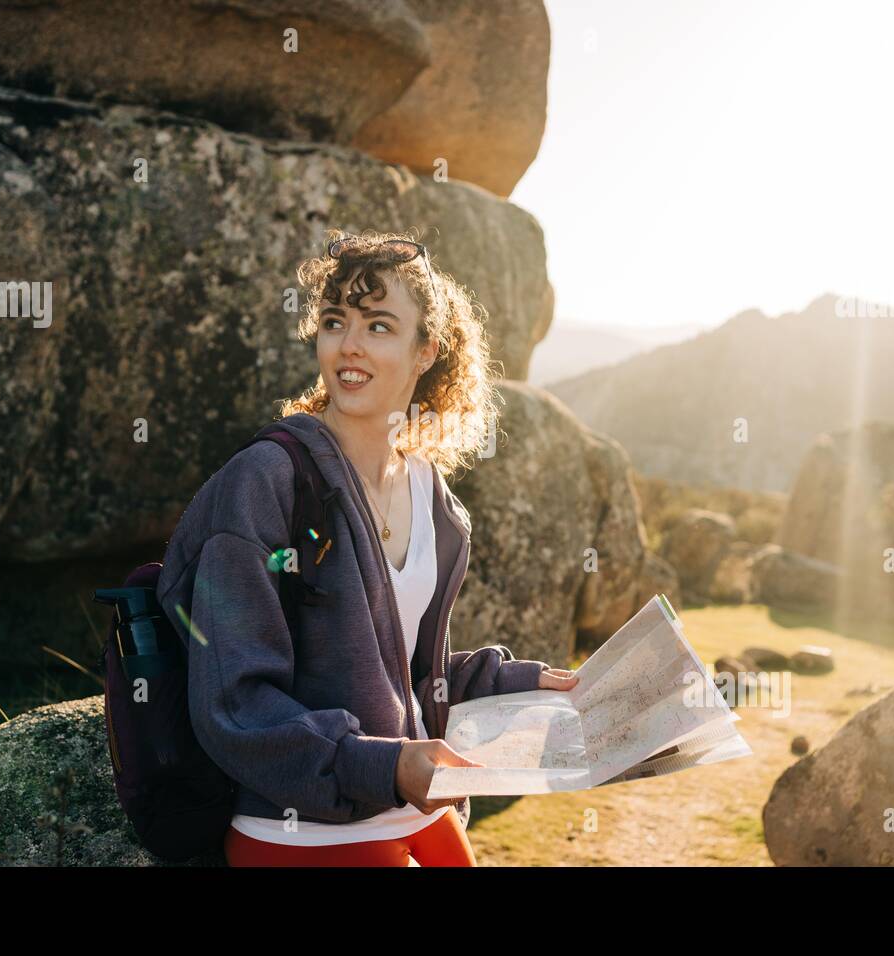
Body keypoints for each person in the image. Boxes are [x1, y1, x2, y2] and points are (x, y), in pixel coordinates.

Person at [157, 229, 578, 867]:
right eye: (334, 321)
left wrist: (522, 683)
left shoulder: (428, 491)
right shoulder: (266, 481)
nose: (349, 345)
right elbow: (234, 701)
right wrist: (383, 764)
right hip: (302, 832)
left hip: (420, 813)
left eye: (379, 325)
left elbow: (402, 670)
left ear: (426, 350)